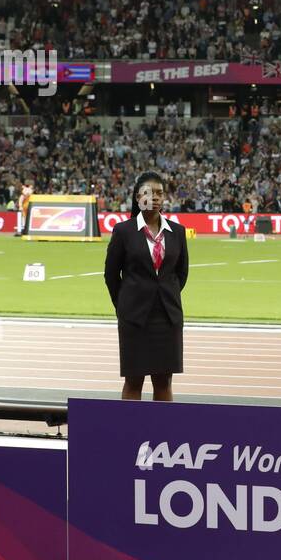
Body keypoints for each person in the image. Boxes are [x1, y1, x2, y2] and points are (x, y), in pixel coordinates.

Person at [104, 171, 189, 402]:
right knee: (133, 381)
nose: (155, 198)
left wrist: (163, 296)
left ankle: (162, 434)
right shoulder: (124, 231)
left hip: (168, 318)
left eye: (160, 193)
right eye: (149, 193)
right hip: (134, 318)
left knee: (164, 382)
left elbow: (181, 274)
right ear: (137, 197)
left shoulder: (177, 232)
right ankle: (128, 435)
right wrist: (123, 305)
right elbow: (111, 275)